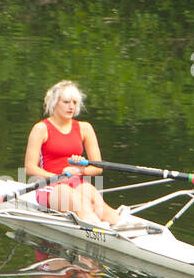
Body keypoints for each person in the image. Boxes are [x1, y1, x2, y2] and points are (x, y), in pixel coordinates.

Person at [24, 81, 134, 227]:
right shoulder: (41, 129)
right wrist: (59, 176)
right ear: (54, 103)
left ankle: (119, 223)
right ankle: (96, 226)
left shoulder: (85, 128)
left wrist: (78, 170)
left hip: (76, 182)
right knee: (77, 201)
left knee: (93, 196)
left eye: (74, 102)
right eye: (66, 102)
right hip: (50, 185)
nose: (71, 106)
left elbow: (97, 167)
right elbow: (30, 168)